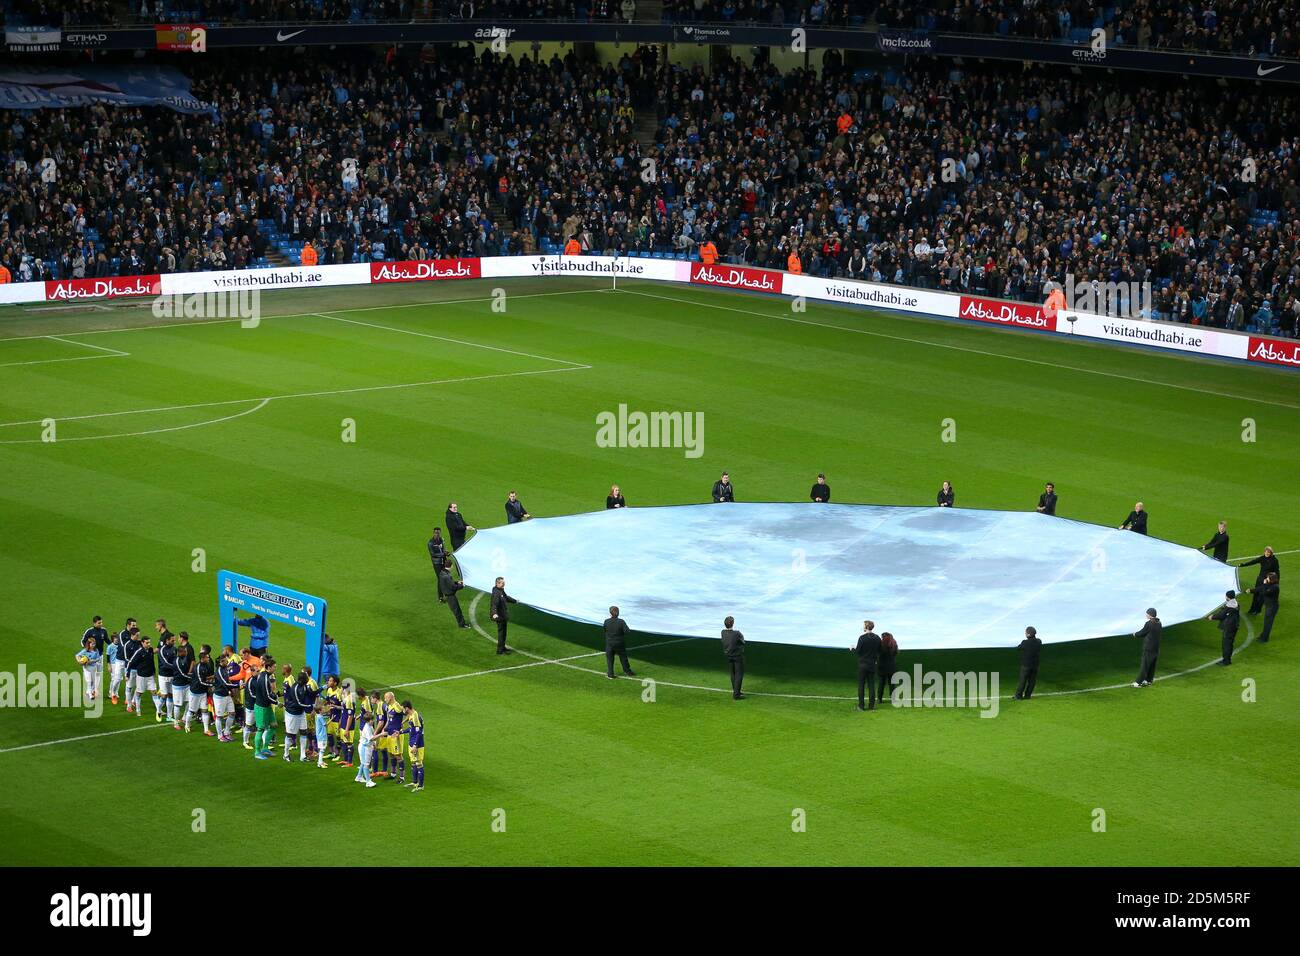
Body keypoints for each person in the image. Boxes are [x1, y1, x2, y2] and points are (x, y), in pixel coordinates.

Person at [248, 656, 279, 759]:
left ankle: (265, 748)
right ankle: (257, 752)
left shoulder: (264, 675)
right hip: (261, 707)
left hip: (266, 706)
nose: (275, 668)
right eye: (274, 667)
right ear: (268, 667)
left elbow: (268, 693)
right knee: (260, 729)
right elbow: (267, 695)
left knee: (274, 725)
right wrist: (277, 702)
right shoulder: (265, 678)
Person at [186, 645, 216, 737]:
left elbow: (205, 678)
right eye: (207, 657)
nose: (208, 658)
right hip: (195, 692)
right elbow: (201, 681)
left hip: (202, 692)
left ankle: (206, 730)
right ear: (203, 658)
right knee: (191, 710)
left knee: (205, 710)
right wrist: (212, 685)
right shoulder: (198, 667)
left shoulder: (206, 665)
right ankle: (187, 725)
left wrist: (213, 677)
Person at [1240, 547, 1280, 614]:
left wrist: (1277, 582)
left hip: (1267, 580)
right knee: (1255, 594)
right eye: (1266, 552)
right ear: (1264, 552)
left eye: (1268, 552)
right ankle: (1252, 609)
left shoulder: (1275, 560)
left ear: (1271, 553)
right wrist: (1243, 565)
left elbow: (1277, 572)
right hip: (1260, 579)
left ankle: (1258, 610)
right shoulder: (1262, 558)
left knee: (1261, 595)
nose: (1267, 553)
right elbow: (1253, 561)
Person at [853, 621, 882, 711]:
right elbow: (879, 650)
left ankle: (861, 706)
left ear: (866, 627)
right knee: (871, 685)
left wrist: (852, 648)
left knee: (861, 685)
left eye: (864, 625)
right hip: (872, 664)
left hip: (863, 664)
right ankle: (871, 707)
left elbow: (858, 651)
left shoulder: (862, 638)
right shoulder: (877, 638)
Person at [282, 670, 310, 762]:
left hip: (301, 713)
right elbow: (298, 703)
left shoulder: (304, 686)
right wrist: (310, 706)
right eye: (306, 679)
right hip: (292, 713)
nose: (308, 680)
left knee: (304, 732)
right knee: (290, 735)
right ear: (302, 680)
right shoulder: (294, 688)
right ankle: (285, 754)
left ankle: (303, 756)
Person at [213, 647, 239, 742]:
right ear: (220, 662)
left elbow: (228, 680)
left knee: (232, 713)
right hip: (219, 697)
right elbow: (225, 683)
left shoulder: (225, 669)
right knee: (219, 716)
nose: (227, 662)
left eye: (226, 660)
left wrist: (232, 693)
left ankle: (227, 732)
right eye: (224, 661)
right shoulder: (219, 671)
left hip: (226, 695)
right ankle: (220, 736)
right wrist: (237, 685)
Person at [1207, 591, 1241, 664]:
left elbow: (1221, 615)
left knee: (1226, 644)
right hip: (1234, 626)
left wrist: (1212, 617)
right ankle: (1227, 659)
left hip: (1229, 627)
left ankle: (1226, 661)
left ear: (1227, 597)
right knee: (1230, 643)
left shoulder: (1229, 606)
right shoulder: (1236, 604)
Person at [603, 606, 636, 679]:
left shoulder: (606, 621)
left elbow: (605, 630)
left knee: (610, 658)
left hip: (609, 643)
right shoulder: (621, 621)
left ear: (610, 613)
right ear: (618, 613)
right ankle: (627, 671)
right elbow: (627, 631)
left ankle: (610, 674)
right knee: (623, 657)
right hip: (619, 643)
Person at [170, 633, 195, 730]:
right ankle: (176, 723)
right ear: (180, 652)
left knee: (190, 702)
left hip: (186, 685)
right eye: (185, 651)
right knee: (177, 705)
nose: (186, 653)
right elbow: (181, 673)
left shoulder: (184, 658)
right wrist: (192, 677)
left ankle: (184, 718)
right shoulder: (176, 661)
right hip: (178, 686)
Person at [1132, 609, 1162, 687]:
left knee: (1145, 665)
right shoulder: (1159, 623)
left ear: (1150, 614)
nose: (1146, 615)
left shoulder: (1149, 623)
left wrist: (1135, 634)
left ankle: (1138, 682)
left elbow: (1142, 633)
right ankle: (1149, 681)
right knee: (1152, 665)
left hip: (1149, 648)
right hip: (1156, 648)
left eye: (1147, 614)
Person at [1247, 573, 1280, 642]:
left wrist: (1265, 584)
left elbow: (1264, 592)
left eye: (1267, 578)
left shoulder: (1275, 587)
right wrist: (1250, 590)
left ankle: (1264, 639)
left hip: (1272, 607)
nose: (1266, 579)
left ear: (1271, 579)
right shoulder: (1270, 584)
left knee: (1268, 623)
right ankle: (1263, 636)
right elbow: (1260, 588)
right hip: (1269, 606)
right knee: (1266, 622)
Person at [402, 701, 426, 792]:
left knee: (419, 764)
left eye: (403, 708)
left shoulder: (415, 716)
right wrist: (401, 732)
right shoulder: (411, 716)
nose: (403, 710)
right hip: (411, 743)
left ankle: (420, 786)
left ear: (407, 708)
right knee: (413, 763)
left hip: (417, 745)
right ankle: (414, 782)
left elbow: (419, 732)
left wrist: (415, 745)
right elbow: (411, 729)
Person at [721, 615, 745, 699]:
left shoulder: (723, 632)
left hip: (728, 655)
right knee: (739, 674)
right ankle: (736, 694)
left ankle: (736, 690)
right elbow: (742, 641)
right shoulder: (737, 633)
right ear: (733, 623)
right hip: (737, 655)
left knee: (732, 673)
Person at [491, 577, 517, 654]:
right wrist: (494, 613)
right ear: (497, 583)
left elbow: (506, 597)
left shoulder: (500, 590)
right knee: (501, 633)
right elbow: (494, 604)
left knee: (504, 633)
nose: (504, 584)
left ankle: (503, 647)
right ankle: (499, 651)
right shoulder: (496, 593)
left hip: (503, 615)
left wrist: (515, 601)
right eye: (502, 583)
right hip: (499, 616)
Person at [439, 562, 469, 628]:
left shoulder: (442, 572)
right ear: (451, 566)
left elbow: (449, 583)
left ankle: (462, 623)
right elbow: (453, 587)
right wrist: (462, 586)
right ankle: (462, 625)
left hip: (447, 594)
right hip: (450, 596)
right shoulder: (446, 576)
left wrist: (457, 582)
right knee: (457, 610)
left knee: (456, 610)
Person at [1014, 626, 1041, 700]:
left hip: (1026, 665)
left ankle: (1018, 696)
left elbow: (1019, 648)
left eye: (1026, 632)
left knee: (1023, 680)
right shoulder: (1039, 641)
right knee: (1032, 681)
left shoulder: (1025, 642)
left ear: (1028, 634)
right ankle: (1027, 695)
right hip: (1035, 665)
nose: (1025, 634)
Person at [75, 636, 102, 703]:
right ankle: (90, 695)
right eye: (92, 644)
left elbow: (98, 659)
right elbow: (77, 655)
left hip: (93, 667)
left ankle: (90, 692)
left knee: (93, 681)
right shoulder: (85, 651)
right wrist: (80, 661)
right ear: (88, 644)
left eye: (94, 644)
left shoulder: (96, 650)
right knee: (89, 681)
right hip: (86, 668)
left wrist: (90, 661)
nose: (93, 645)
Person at [354, 712, 377, 788]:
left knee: (363, 763)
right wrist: (381, 734)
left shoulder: (370, 726)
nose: (372, 721)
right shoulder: (367, 728)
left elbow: (372, 735)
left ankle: (359, 776)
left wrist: (374, 744)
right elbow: (371, 738)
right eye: (371, 720)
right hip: (364, 748)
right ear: (368, 720)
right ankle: (368, 781)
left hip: (367, 747)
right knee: (366, 764)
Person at [877, 633, 899, 705]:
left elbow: (879, 654)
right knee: (892, 684)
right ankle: (893, 699)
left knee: (881, 683)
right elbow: (895, 654)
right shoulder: (894, 645)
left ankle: (879, 699)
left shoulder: (881, 645)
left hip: (882, 667)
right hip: (892, 667)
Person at [313, 702, 331, 769]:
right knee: (322, 749)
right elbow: (325, 725)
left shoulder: (317, 715)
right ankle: (320, 763)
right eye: (323, 709)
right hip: (322, 735)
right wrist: (331, 719)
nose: (324, 710)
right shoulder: (320, 717)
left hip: (319, 735)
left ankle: (321, 761)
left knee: (322, 749)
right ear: (320, 711)